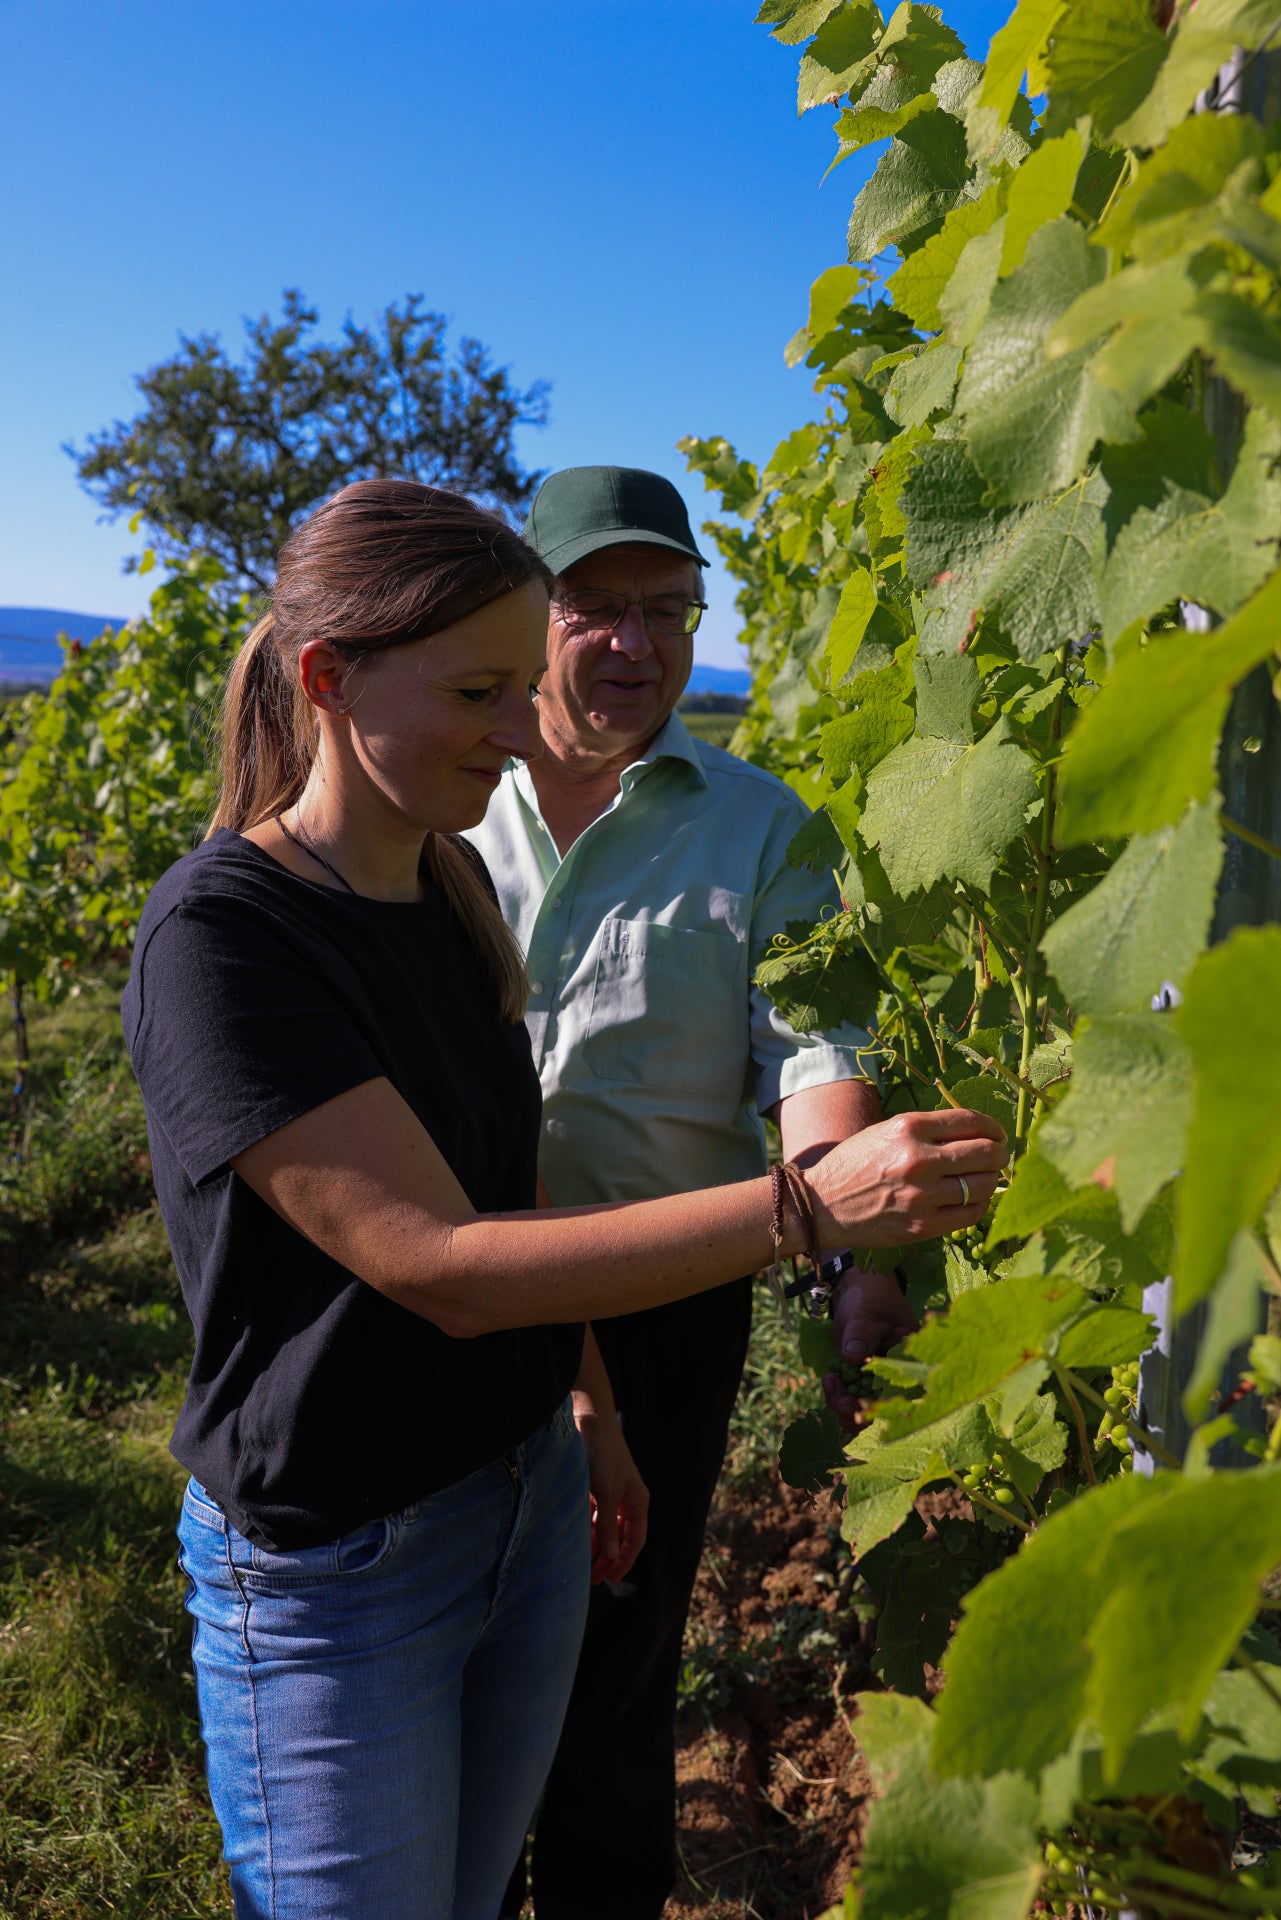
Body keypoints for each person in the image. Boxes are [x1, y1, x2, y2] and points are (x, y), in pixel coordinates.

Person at [121, 479, 1005, 1920]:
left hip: (533, 1454)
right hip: (346, 1540)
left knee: (588, 1766)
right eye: (490, 681)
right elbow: (444, 1258)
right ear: (328, 681)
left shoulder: (450, 894)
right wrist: (808, 1212)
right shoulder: (233, 931)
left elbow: (516, 1176)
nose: (529, 708)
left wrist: (585, 1402)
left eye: (671, 613)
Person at [464, 465, 920, 1920]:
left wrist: (847, 1229)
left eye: (665, 611)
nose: (633, 643)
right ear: (531, 617)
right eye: (595, 608)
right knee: (438, 1663)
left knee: (609, 1686)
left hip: (660, 1302)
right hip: (437, 1288)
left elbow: (816, 1045)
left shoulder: (762, 826)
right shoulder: (436, 796)